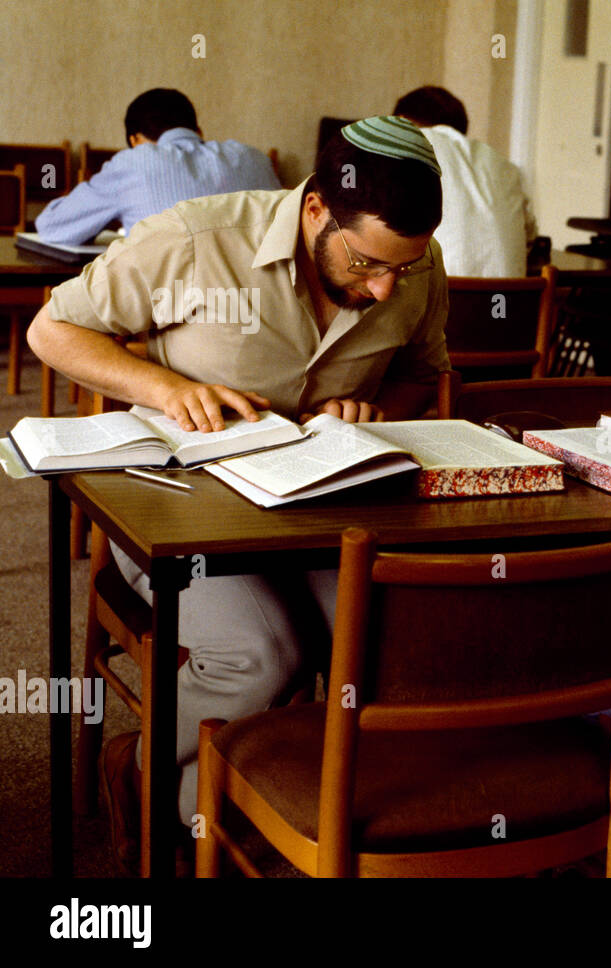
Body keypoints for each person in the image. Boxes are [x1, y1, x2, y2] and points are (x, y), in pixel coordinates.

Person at [28, 116, 448, 870]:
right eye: (366, 263)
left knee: (393, 638)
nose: (384, 286)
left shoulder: (415, 265)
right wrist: (163, 386)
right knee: (263, 652)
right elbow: (52, 332)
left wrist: (373, 411)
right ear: (317, 207)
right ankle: (155, 778)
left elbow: (423, 372)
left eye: (402, 269)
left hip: (320, 507)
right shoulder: (196, 239)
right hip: (176, 507)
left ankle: (197, 808)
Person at [35, 88, 280, 244]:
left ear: (135, 140)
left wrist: (105, 217)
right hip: (263, 311)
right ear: (198, 132)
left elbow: (51, 226)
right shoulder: (254, 158)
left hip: (166, 314)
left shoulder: (134, 161)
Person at [393, 85, 536, 277]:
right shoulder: (503, 164)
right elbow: (529, 236)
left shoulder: (409, 145)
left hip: (438, 299)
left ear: (401, 121)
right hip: (509, 301)